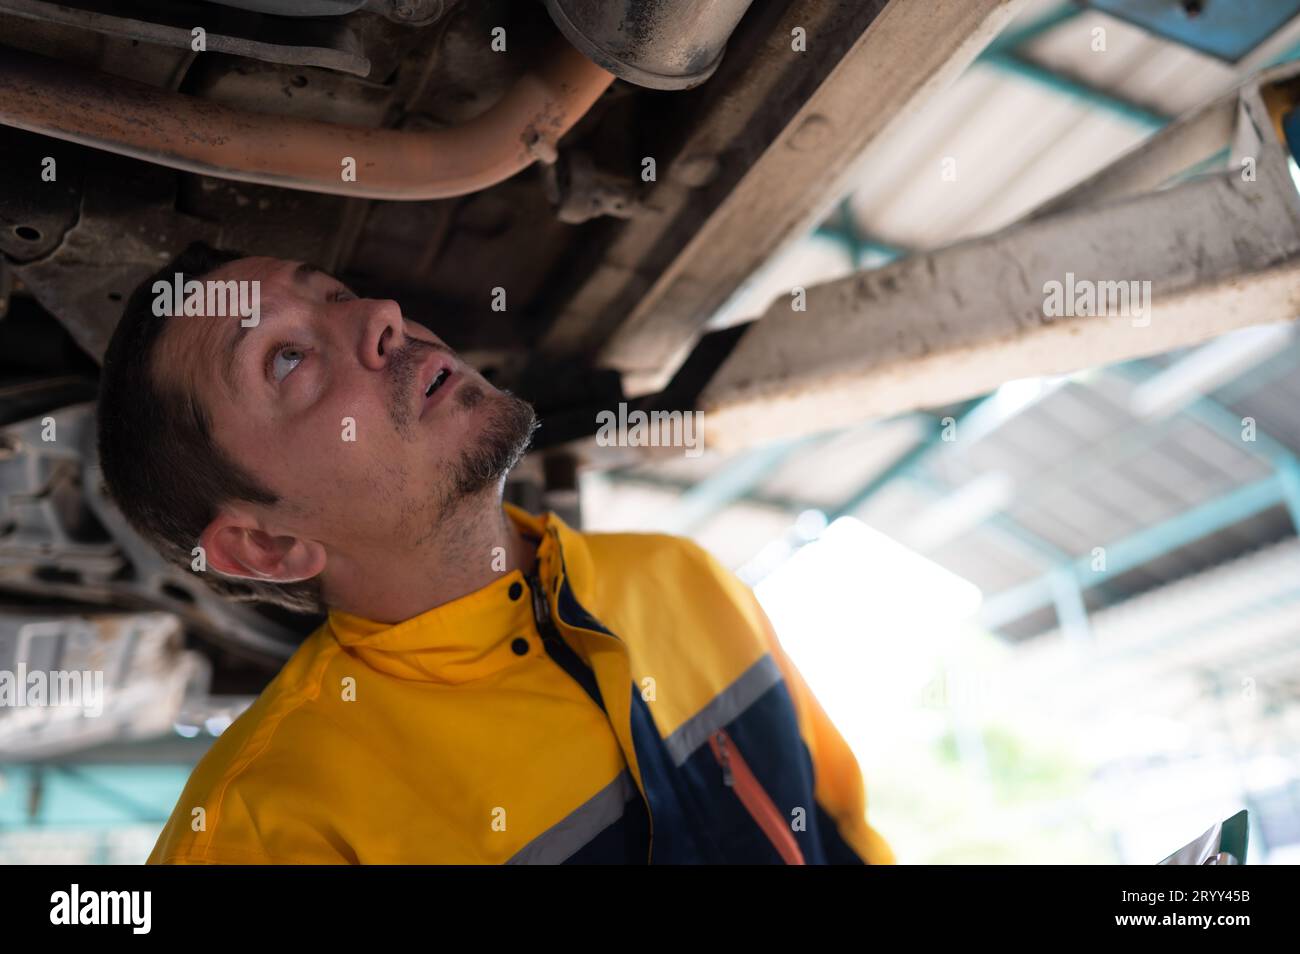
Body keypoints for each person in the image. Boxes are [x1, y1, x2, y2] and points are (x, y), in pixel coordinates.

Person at [96, 242, 894, 864]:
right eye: (288, 358)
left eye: (338, 294)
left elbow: (845, 831)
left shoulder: (679, 576)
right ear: (267, 544)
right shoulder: (263, 828)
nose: (381, 313)